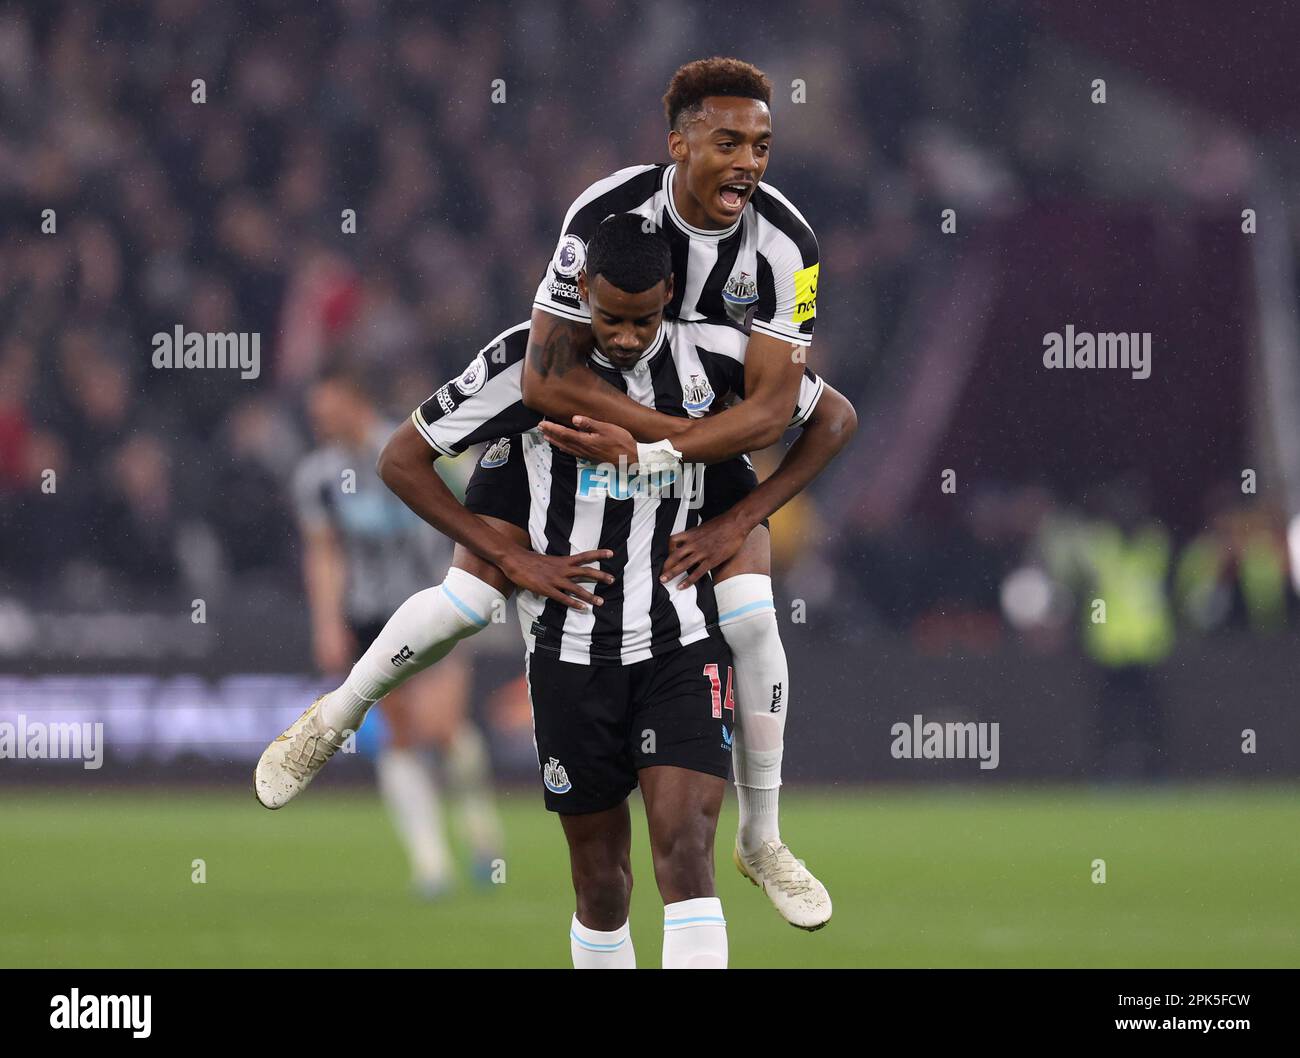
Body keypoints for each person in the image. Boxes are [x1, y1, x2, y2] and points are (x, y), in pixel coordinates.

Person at [260, 56, 848, 930]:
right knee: (466, 595)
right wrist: (508, 551)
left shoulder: (785, 248)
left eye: (762, 144)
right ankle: (338, 713)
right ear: (678, 142)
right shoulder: (602, 215)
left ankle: (762, 836)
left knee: (756, 619)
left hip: (698, 422)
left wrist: (695, 475)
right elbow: (541, 381)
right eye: (728, 141)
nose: (749, 162)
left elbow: (792, 411)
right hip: (571, 428)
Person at [285, 372, 504, 896]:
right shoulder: (317, 476)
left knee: (444, 727)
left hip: (436, 605)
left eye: (329, 407)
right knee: (402, 736)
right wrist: (328, 623)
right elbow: (324, 553)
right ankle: (431, 863)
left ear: (356, 400)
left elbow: (485, 499)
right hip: (369, 615)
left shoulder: (421, 447)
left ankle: (481, 831)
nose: (321, 420)